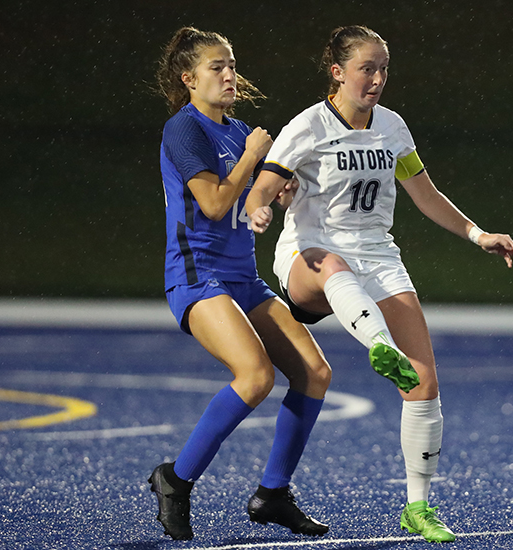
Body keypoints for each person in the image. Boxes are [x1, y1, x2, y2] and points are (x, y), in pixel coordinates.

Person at [246, 25, 513, 543]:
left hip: (378, 258)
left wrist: (477, 233)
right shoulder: (306, 125)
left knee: (424, 385)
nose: (376, 79)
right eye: (366, 69)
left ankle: (417, 507)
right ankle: (378, 345)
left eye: (383, 69)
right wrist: (260, 208)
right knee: (331, 264)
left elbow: (426, 194)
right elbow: (262, 186)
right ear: (337, 72)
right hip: (310, 259)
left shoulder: (392, 128)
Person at [149, 26, 333, 541]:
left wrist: (274, 198)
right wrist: (254, 158)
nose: (229, 75)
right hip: (197, 276)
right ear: (189, 79)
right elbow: (211, 203)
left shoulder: (239, 131)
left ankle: (272, 494)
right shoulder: (184, 130)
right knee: (254, 377)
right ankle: (175, 480)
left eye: (231, 65)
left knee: (315, 373)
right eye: (216, 67)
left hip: (243, 279)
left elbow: (246, 203)